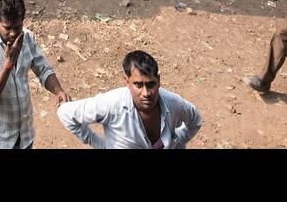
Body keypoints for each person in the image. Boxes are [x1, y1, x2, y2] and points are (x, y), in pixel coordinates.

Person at [0, 0, 68, 149]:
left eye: (18, 27)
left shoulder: (27, 37)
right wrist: (8, 65)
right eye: (7, 28)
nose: (14, 33)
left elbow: (43, 69)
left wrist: (58, 91)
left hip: (24, 136)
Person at [58, 50, 202, 149]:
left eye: (151, 84)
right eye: (138, 85)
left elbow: (195, 120)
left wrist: (176, 142)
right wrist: (100, 144)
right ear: (127, 82)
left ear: (158, 80)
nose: (146, 93)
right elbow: (65, 114)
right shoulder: (111, 105)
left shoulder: (173, 103)